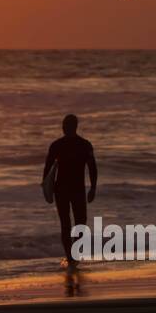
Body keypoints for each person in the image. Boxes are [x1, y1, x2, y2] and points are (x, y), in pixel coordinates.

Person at [41, 114, 97, 269]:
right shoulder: (84, 144)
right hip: (76, 189)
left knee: (66, 223)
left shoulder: (58, 145)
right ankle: (73, 256)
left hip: (63, 189)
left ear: (66, 127)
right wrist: (93, 188)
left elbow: (47, 170)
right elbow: (93, 168)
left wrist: (47, 189)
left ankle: (71, 257)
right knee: (79, 222)